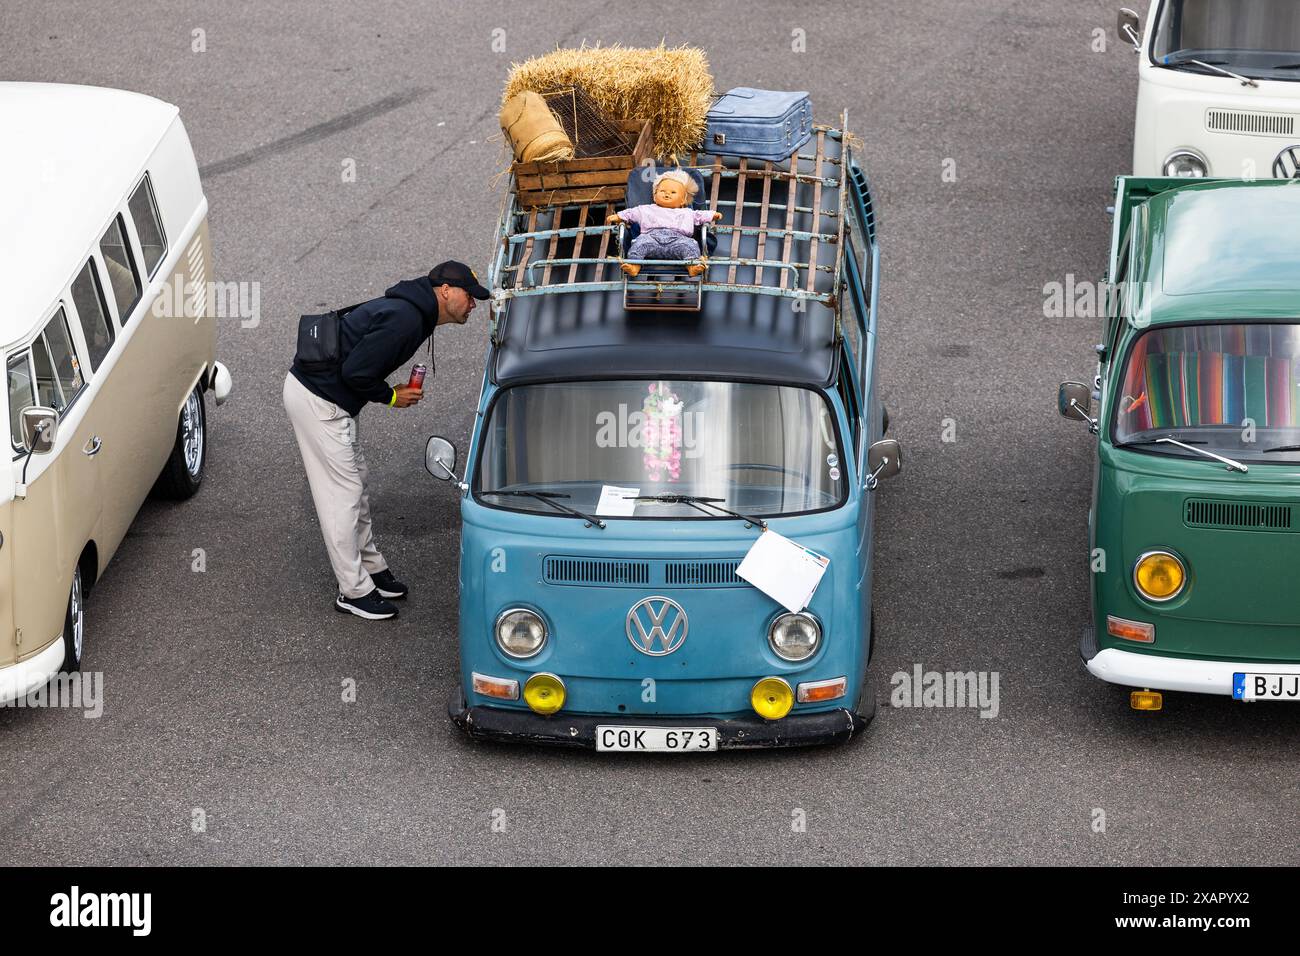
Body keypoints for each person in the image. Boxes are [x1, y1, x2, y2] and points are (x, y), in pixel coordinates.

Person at [283, 261, 490, 620]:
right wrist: (392, 397)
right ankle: (353, 591)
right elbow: (356, 371)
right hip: (319, 402)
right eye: (470, 296)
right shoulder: (407, 320)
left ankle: (372, 570)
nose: (474, 304)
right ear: (445, 291)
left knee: (356, 484)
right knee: (342, 496)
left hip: (328, 399)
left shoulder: (413, 312)